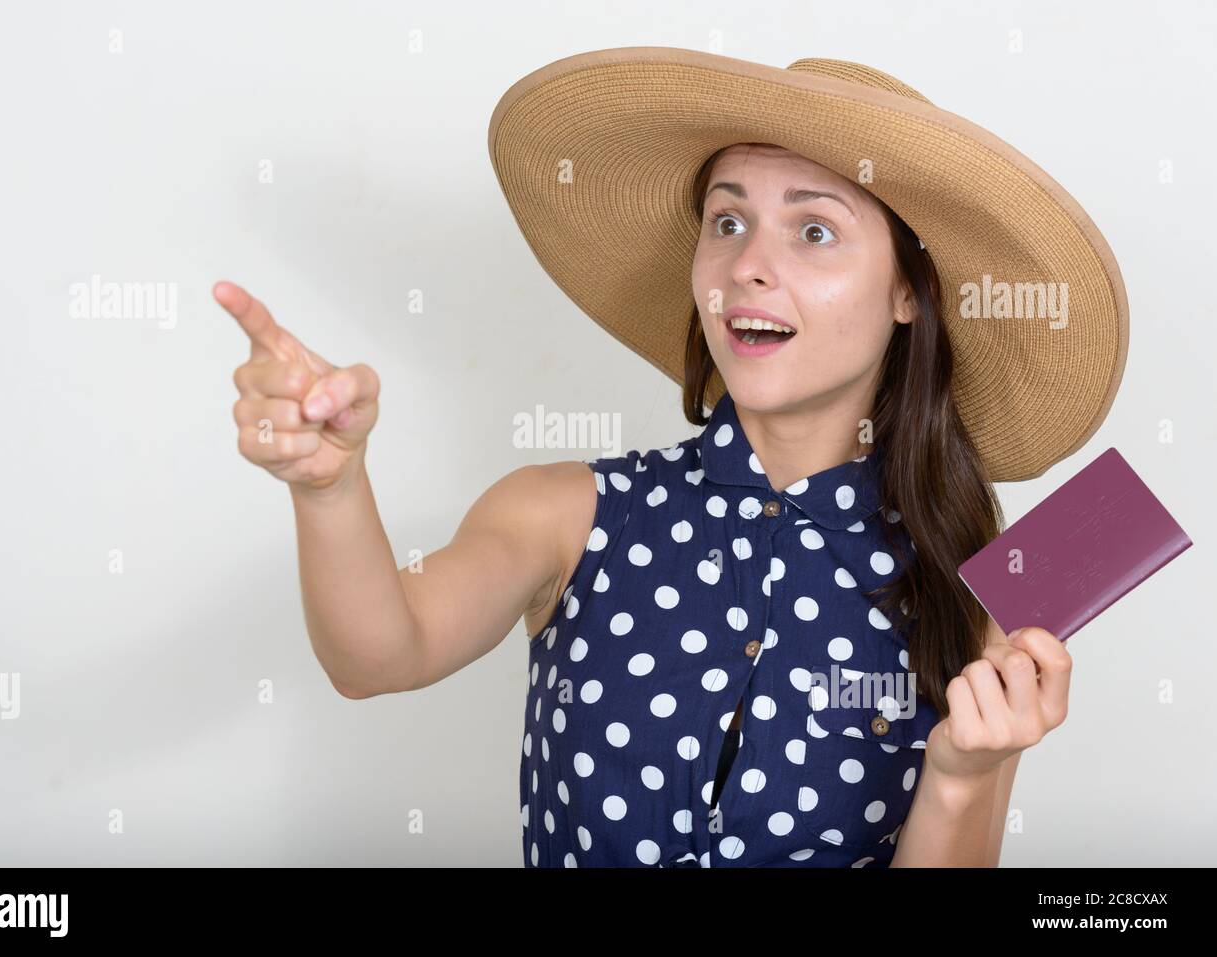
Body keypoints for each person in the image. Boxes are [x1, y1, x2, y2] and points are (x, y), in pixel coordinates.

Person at [214, 48, 1128, 867]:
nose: (747, 267)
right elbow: (376, 657)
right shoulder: (563, 511)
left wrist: (966, 777)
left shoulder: (974, 596)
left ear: (907, 294)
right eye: (727, 223)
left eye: (814, 231)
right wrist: (331, 487)